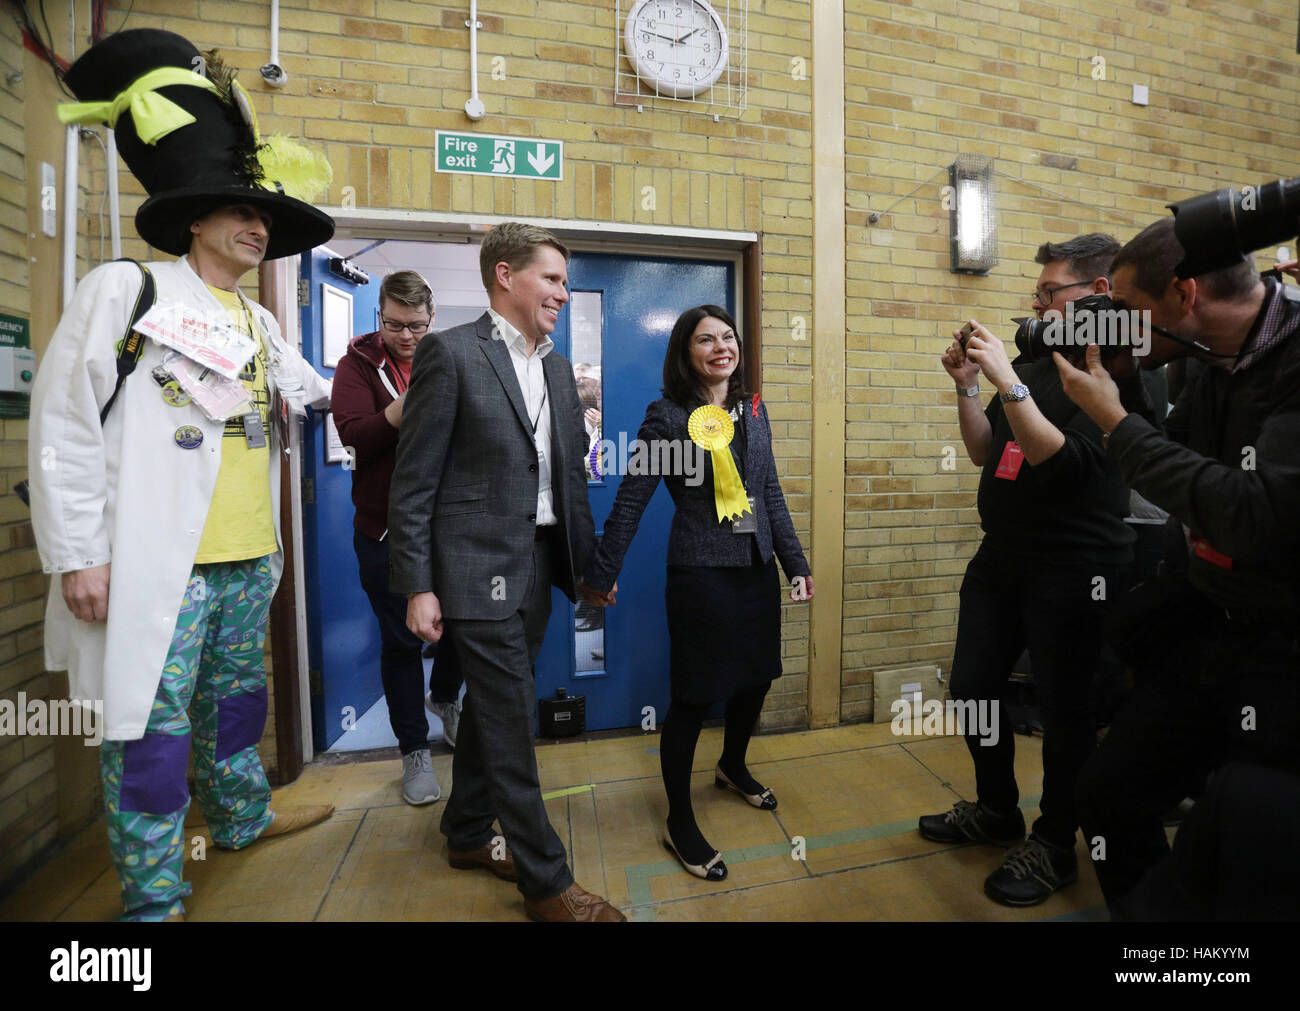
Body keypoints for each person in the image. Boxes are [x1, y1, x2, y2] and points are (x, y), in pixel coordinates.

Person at [28, 28, 336, 921]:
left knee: (238, 703)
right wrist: (79, 553)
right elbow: (61, 429)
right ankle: (153, 900)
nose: (258, 226)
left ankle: (238, 817)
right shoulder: (127, 292)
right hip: (156, 569)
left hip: (246, 560)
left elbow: (320, 399)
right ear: (191, 217)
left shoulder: (257, 320)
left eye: (265, 217)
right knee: (150, 735)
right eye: (240, 211)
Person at [1054, 216, 1300, 916]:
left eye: (1133, 313)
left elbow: (1250, 514)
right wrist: (1124, 387)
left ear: (1184, 294)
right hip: (1213, 621)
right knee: (1108, 791)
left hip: (1283, 644)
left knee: (1247, 833)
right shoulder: (1205, 356)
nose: (1125, 327)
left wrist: (1115, 422)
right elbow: (1171, 461)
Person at [387, 221, 624, 922]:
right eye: (550, 277)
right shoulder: (450, 354)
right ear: (505, 276)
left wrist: (589, 569)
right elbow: (414, 481)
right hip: (473, 573)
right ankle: (547, 881)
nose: (561, 290)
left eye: (562, 279)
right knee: (514, 720)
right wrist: (418, 583)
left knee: (493, 716)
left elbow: (568, 484)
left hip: (538, 568)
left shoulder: (555, 364)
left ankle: (465, 832)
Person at [916, 235, 1155, 907]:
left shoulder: (1113, 367)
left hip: (1076, 565)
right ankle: (997, 808)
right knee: (972, 685)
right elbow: (988, 449)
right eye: (1039, 291)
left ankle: (1055, 841)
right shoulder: (1036, 359)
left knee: (1065, 711)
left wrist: (1008, 381)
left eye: (1050, 292)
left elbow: (1066, 460)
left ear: (1098, 294)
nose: (1036, 300)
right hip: (1004, 556)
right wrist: (970, 388)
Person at [581, 305, 813, 882]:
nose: (720, 348)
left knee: (756, 677)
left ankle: (732, 766)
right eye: (705, 340)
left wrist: (795, 563)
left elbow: (771, 495)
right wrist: (602, 572)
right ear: (686, 352)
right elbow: (632, 498)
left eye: (727, 337)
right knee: (694, 695)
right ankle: (678, 819)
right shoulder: (667, 418)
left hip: (755, 568)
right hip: (700, 574)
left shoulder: (752, 410)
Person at [330, 270, 463, 805]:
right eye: (394, 325)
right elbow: (354, 434)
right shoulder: (356, 365)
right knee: (402, 640)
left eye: (416, 325)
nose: (406, 336)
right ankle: (413, 752)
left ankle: (446, 697)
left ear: (432, 318)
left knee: (461, 625)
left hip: (448, 525)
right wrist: (409, 405)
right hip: (383, 529)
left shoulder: (451, 357)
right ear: (379, 318)